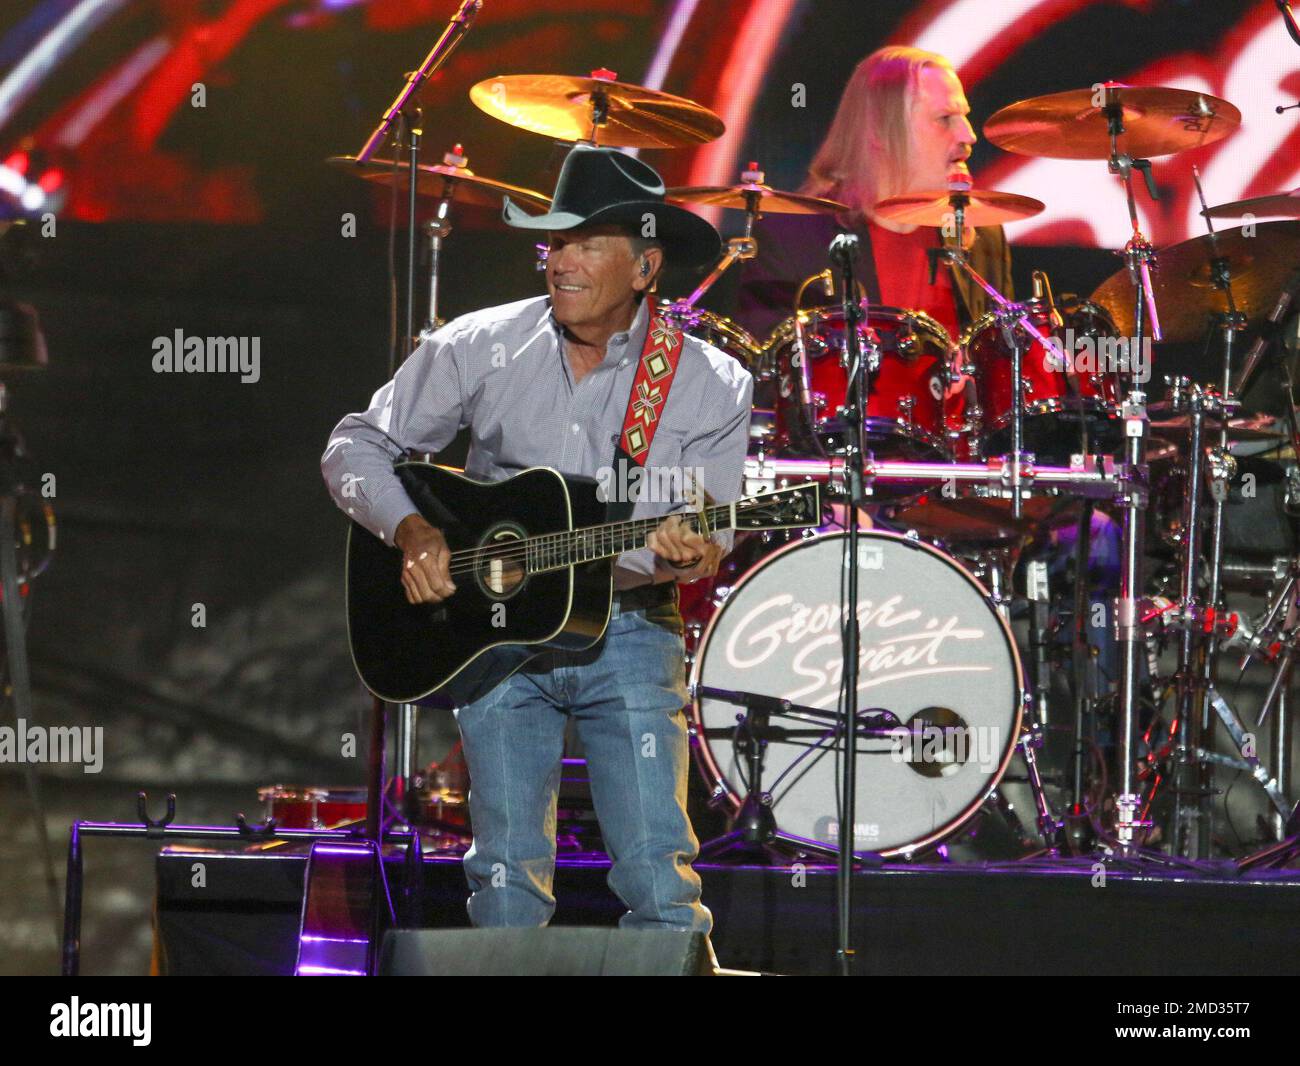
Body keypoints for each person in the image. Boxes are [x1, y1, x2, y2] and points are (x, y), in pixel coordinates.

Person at [321, 144, 753, 934]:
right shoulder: (477, 344)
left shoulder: (711, 382)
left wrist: (696, 547)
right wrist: (412, 529)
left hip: (628, 628)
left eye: (587, 243)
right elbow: (352, 446)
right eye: (555, 243)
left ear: (646, 267)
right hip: (492, 636)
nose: (561, 262)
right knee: (504, 883)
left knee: (661, 885)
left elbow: (707, 522)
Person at [736, 45, 1013, 343]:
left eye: (964, 116)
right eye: (945, 118)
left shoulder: (981, 234)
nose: (968, 135)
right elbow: (765, 375)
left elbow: (1003, 371)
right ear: (880, 132)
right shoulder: (791, 240)